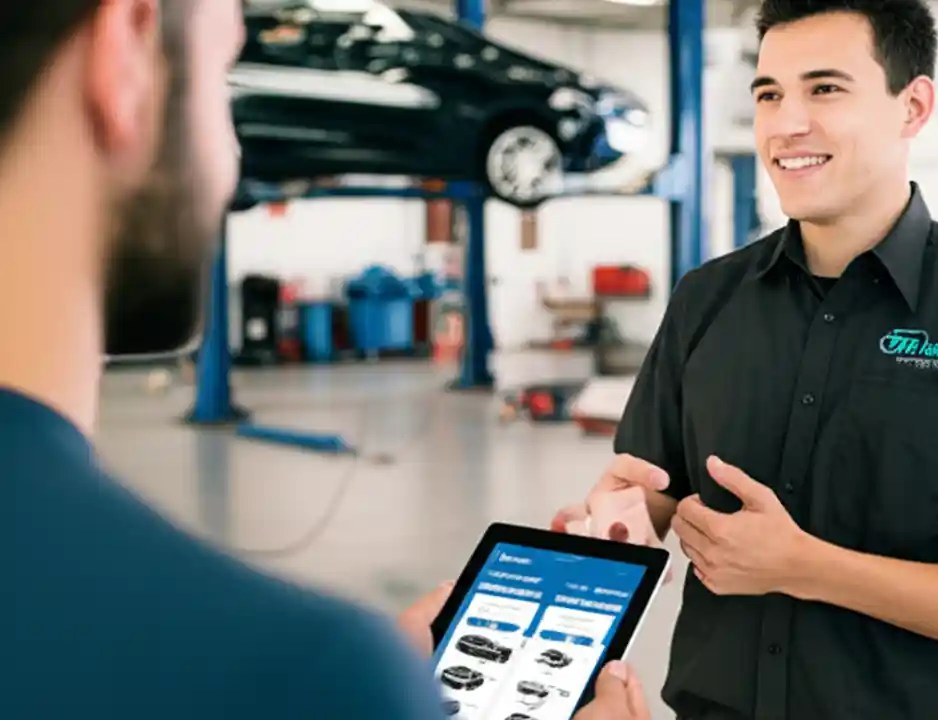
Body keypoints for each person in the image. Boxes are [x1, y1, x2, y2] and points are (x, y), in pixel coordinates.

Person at [1, 2, 650, 718]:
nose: (233, 161)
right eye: (223, 76)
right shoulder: (302, 673)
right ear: (124, 55)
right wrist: (364, 693)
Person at [554, 1, 938, 718]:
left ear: (913, 107)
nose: (786, 123)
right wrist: (620, 519)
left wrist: (811, 569)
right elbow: (656, 489)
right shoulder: (706, 299)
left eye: (825, 88)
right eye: (769, 93)